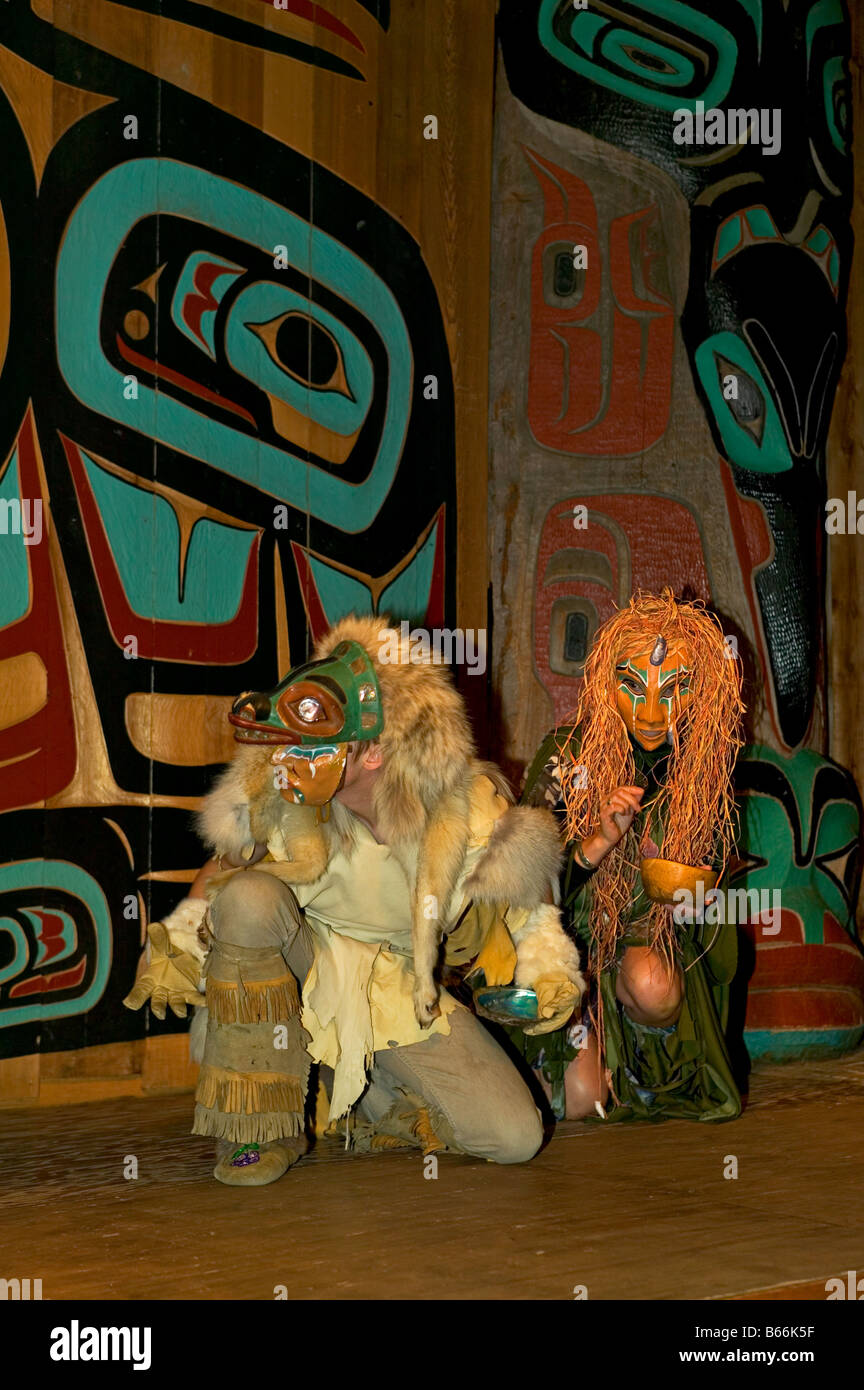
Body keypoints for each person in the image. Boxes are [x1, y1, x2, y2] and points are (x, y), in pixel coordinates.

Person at [124, 615, 585, 1184]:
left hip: (399, 990)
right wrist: (183, 935)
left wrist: (546, 957)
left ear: (373, 754)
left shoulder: (464, 807)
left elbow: (524, 876)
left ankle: (378, 1097)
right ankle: (261, 1130)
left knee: (515, 1137)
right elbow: (224, 865)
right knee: (248, 898)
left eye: (314, 738)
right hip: (302, 969)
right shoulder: (285, 798)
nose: (289, 754)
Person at [513, 590, 745, 1124]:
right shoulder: (565, 757)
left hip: (647, 948)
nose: (649, 712)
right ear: (602, 681)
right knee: (580, 1102)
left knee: (653, 986)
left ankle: (645, 1069)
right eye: (633, 686)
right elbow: (522, 886)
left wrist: (687, 890)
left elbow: (720, 933)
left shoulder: (701, 776)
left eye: (672, 691)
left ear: (701, 690)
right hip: (570, 949)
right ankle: (575, 1051)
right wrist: (597, 843)